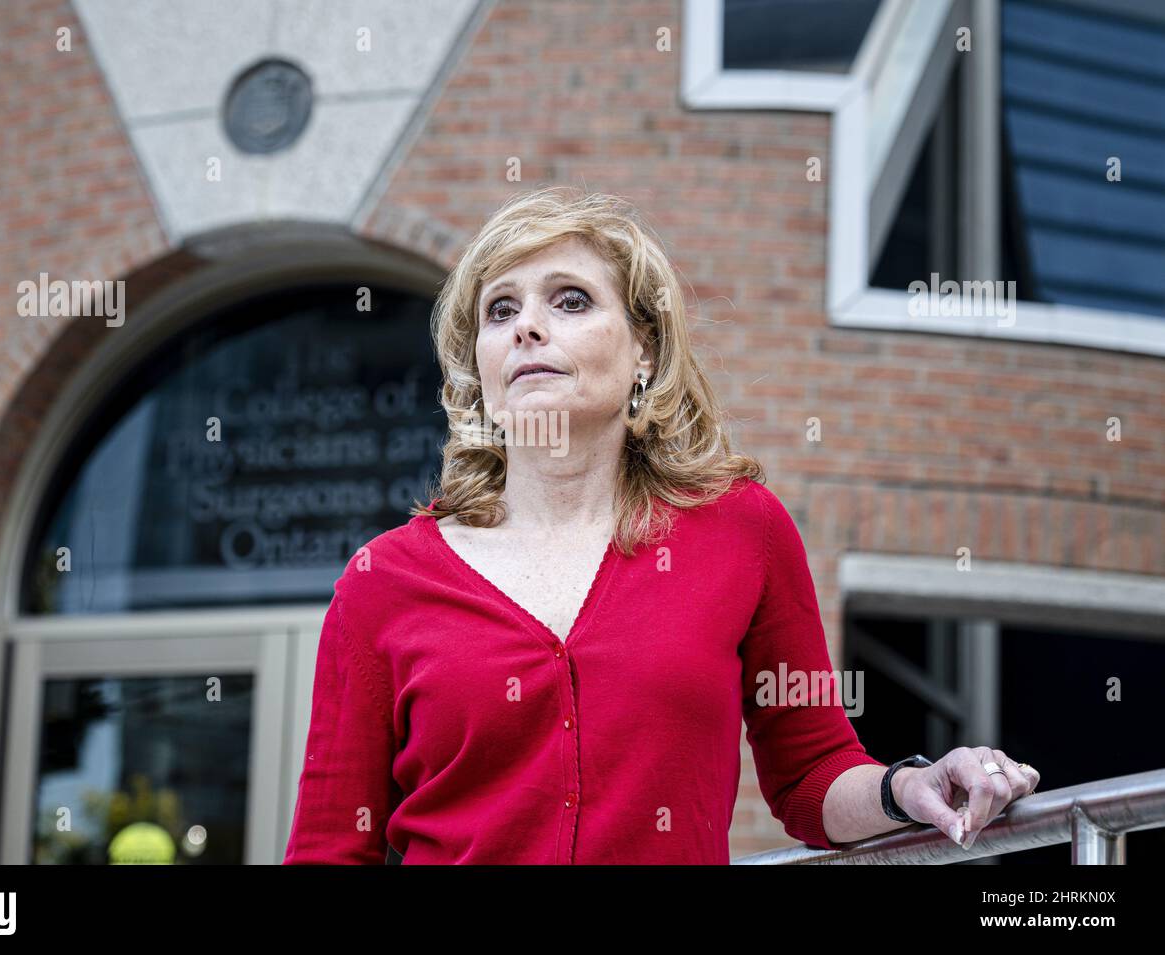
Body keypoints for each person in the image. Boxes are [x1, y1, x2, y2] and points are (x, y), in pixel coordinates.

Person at [283, 186, 1039, 864]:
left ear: (644, 347)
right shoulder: (384, 581)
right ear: (478, 367)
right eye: (501, 309)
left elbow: (812, 774)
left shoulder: (745, 530)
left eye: (571, 300)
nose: (527, 328)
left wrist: (909, 785)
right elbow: (327, 848)